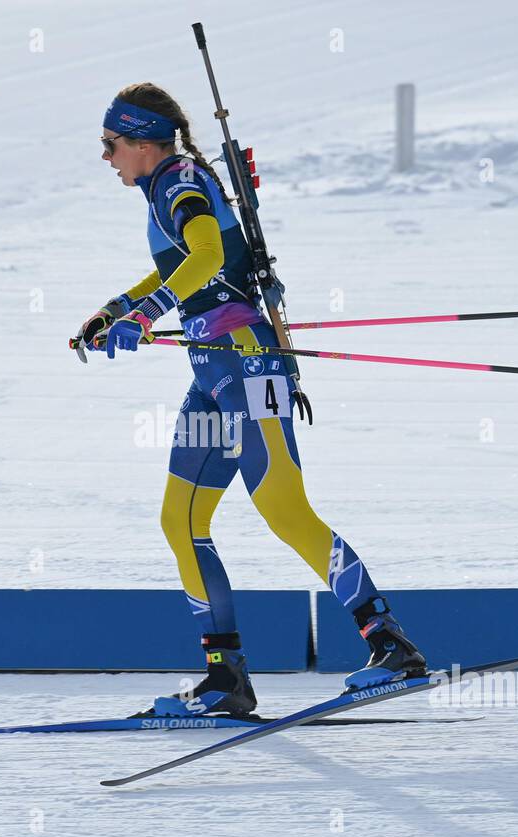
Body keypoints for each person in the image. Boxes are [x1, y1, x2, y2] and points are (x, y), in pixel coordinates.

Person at [76, 83, 427, 717]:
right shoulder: (164, 186)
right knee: (180, 521)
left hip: (246, 360)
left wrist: (148, 312)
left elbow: (207, 254)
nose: (106, 157)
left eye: (110, 144)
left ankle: (391, 645)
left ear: (141, 141)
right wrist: (119, 309)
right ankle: (225, 677)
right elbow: (181, 265)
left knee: (283, 507)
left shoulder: (180, 179)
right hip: (211, 371)